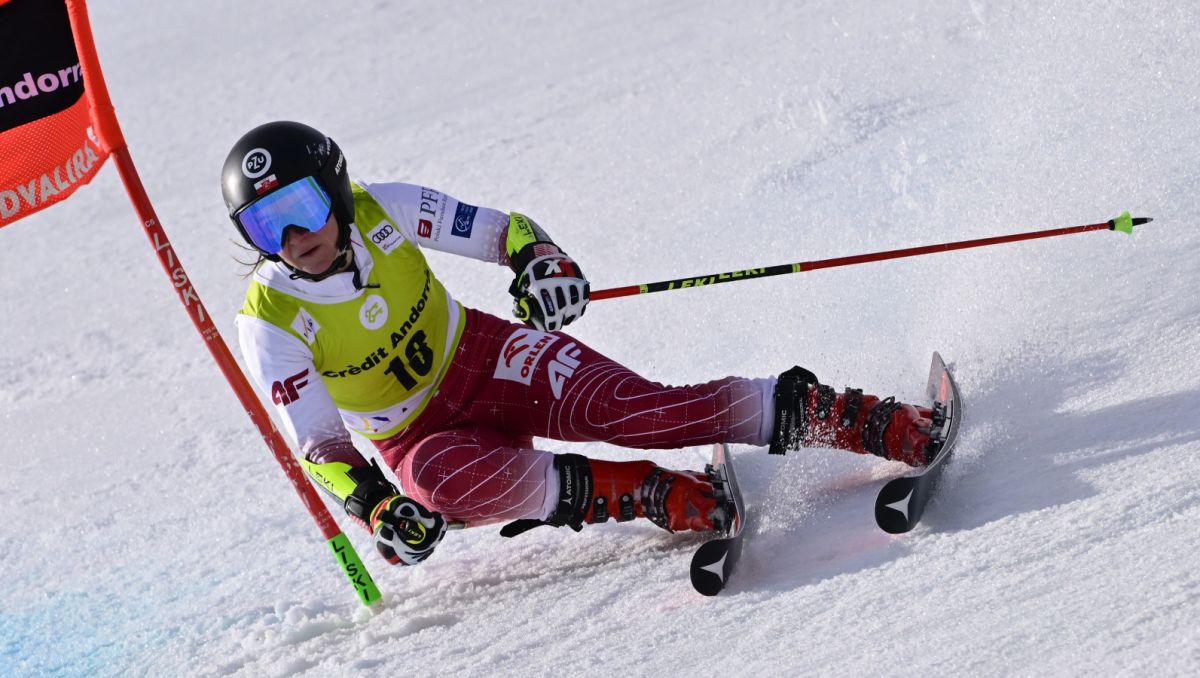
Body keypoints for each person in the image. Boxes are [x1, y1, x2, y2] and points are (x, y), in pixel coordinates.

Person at [221, 121, 937, 567]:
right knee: (434, 488)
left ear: (338, 192)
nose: (292, 239)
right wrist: (377, 508)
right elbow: (325, 450)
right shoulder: (270, 320)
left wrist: (545, 264)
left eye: (302, 207)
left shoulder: (386, 208)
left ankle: (846, 415)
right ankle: (653, 494)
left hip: (484, 358)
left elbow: (507, 232)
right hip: (418, 437)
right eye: (264, 227)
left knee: (638, 411)